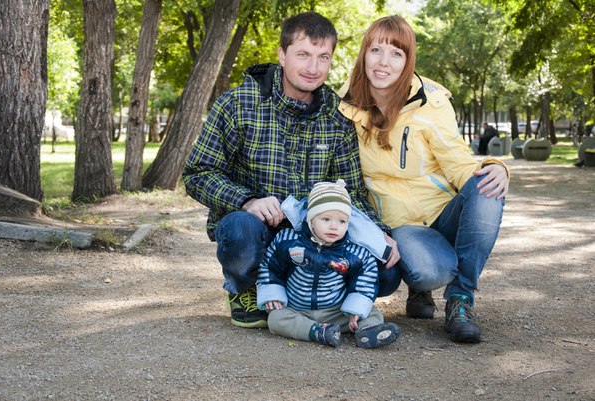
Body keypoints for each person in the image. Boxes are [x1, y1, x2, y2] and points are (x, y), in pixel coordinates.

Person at [182, 12, 398, 329]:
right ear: (282, 55)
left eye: (323, 57)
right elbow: (197, 173)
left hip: (314, 240)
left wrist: (380, 233)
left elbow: (351, 190)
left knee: (388, 272)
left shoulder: (337, 117)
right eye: (303, 55)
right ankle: (246, 287)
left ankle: (315, 294)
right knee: (241, 230)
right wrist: (247, 201)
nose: (313, 68)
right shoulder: (238, 103)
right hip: (257, 231)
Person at [339, 15, 509, 343]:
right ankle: (420, 288)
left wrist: (495, 167)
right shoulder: (346, 107)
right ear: (364, 54)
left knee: (488, 188)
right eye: (376, 50)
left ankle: (460, 299)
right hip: (399, 224)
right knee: (430, 272)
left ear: (408, 61)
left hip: (441, 214)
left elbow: (458, 162)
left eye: (396, 53)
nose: (384, 62)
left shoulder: (431, 102)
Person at [256, 180, 399, 348]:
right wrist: (272, 293)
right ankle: (316, 331)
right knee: (275, 319)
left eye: (342, 221)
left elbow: (365, 281)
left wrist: (355, 309)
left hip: (336, 310)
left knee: (371, 312)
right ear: (311, 219)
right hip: (297, 308)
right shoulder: (288, 241)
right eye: (325, 219)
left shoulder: (354, 252)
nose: (334, 226)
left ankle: (366, 330)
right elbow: (270, 267)